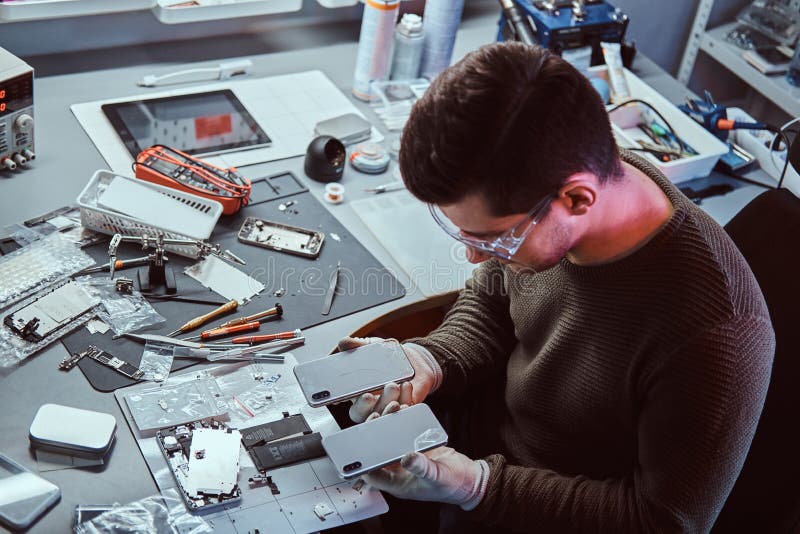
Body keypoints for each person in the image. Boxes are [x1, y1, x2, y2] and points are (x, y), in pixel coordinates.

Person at [338, 42, 775, 533]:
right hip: (482, 444)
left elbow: (661, 522)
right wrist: (431, 360)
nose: (475, 256)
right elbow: (493, 298)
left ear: (576, 198)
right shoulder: (561, 191)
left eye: (490, 237)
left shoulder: (717, 332)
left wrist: (476, 487)